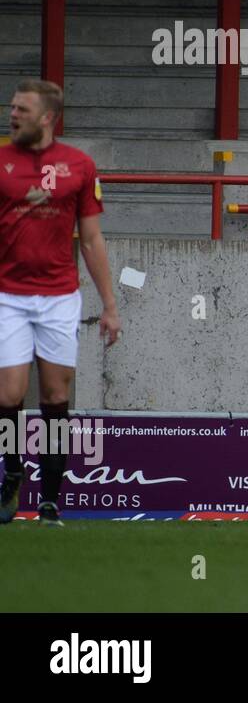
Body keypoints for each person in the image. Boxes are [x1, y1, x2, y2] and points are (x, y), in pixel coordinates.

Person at [0, 80, 121, 526]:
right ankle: (12, 470)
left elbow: (90, 238)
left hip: (58, 298)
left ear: (48, 118)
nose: (13, 115)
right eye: (11, 108)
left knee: (55, 396)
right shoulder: (0, 161)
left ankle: (50, 502)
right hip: (7, 296)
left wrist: (109, 304)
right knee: (8, 394)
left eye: (22, 110)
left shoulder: (80, 166)